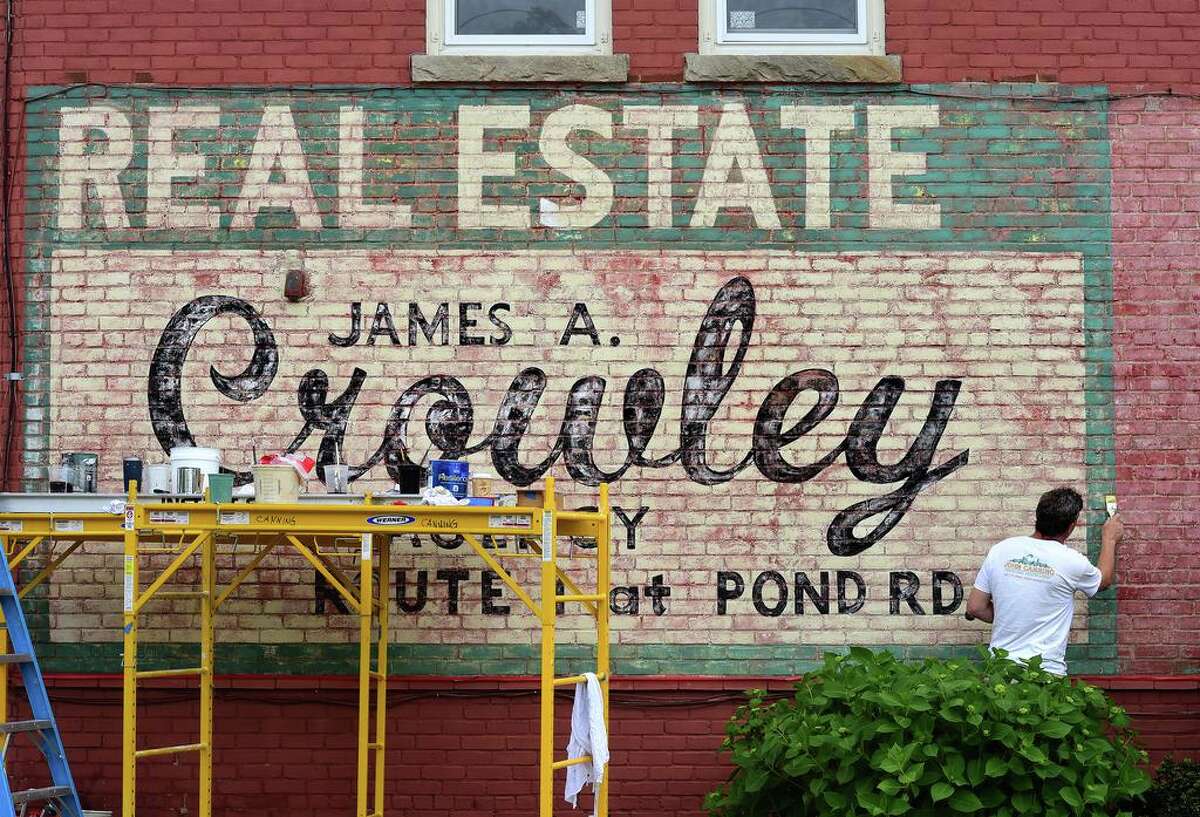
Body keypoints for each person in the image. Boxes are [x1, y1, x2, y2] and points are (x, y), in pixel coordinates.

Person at [965, 487, 1123, 676]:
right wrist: (1109, 539)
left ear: (1037, 517)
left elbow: (975, 607)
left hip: (1000, 670)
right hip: (1044, 673)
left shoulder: (1001, 550)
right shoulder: (1071, 561)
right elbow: (1102, 581)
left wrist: (1013, 618)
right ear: (1072, 526)